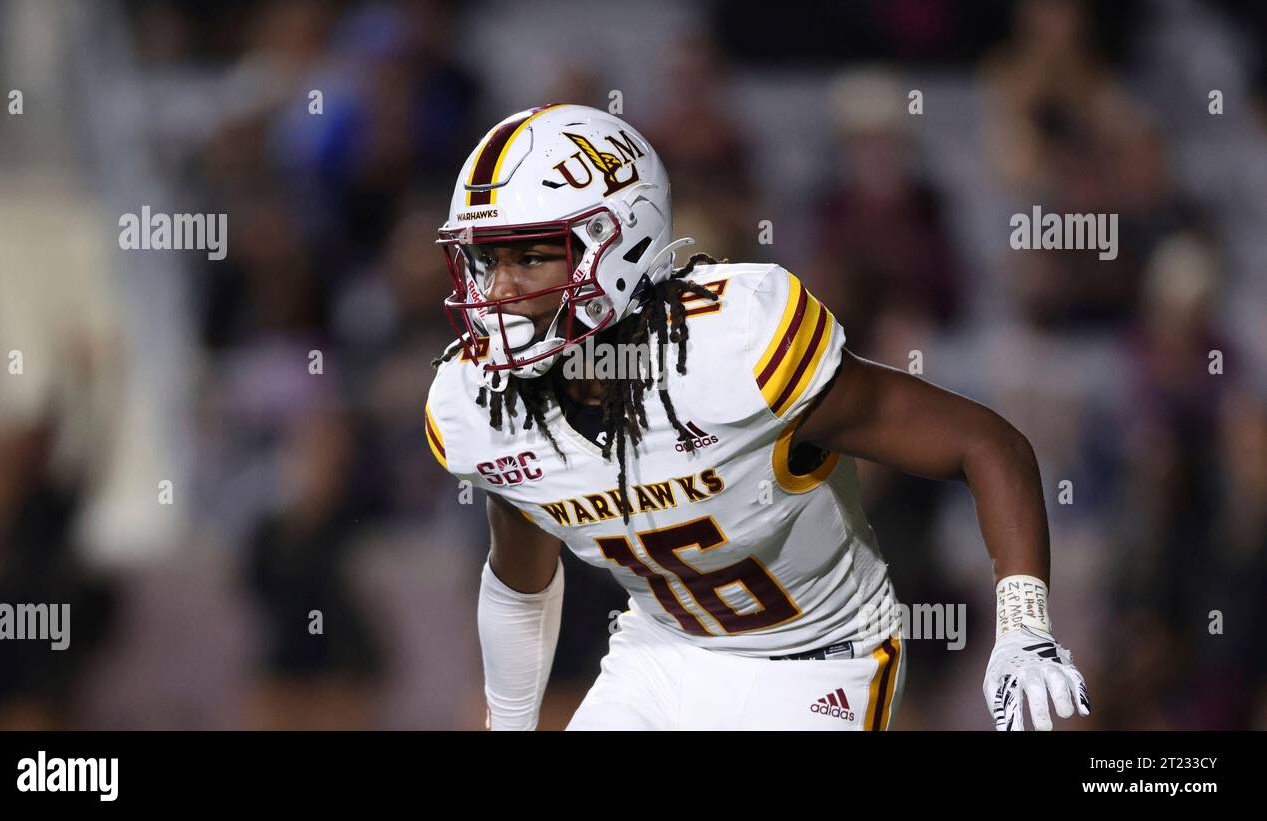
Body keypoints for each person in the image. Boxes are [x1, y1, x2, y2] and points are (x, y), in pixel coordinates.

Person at [424, 104, 1090, 730]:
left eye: (530, 255)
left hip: (819, 661)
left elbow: (986, 442)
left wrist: (1023, 624)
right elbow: (519, 578)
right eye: (486, 259)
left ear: (615, 243)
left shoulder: (736, 347)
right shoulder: (481, 402)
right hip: (659, 651)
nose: (500, 291)